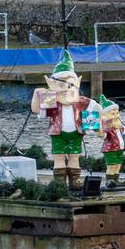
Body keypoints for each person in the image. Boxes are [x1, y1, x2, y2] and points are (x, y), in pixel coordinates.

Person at [31, 50, 97, 192]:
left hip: (76, 134)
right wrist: (37, 94)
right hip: (58, 134)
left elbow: (96, 108)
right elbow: (36, 110)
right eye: (61, 85)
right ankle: (60, 183)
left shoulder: (80, 101)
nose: (66, 89)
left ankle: (75, 181)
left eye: (70, 85)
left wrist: (96, 125)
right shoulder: (53, 100)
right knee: (58, 158)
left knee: (74, 157)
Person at [97, 95, 125, 190]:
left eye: (117, 113)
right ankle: (109, 181)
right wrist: (99, 131)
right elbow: (103, 136)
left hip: (120, 149)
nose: (116, 116)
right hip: (110, 149)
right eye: (113, 114)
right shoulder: (107, 127)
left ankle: (116, 180)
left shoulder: (120, 127)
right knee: (111, 166)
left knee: (118, 165)